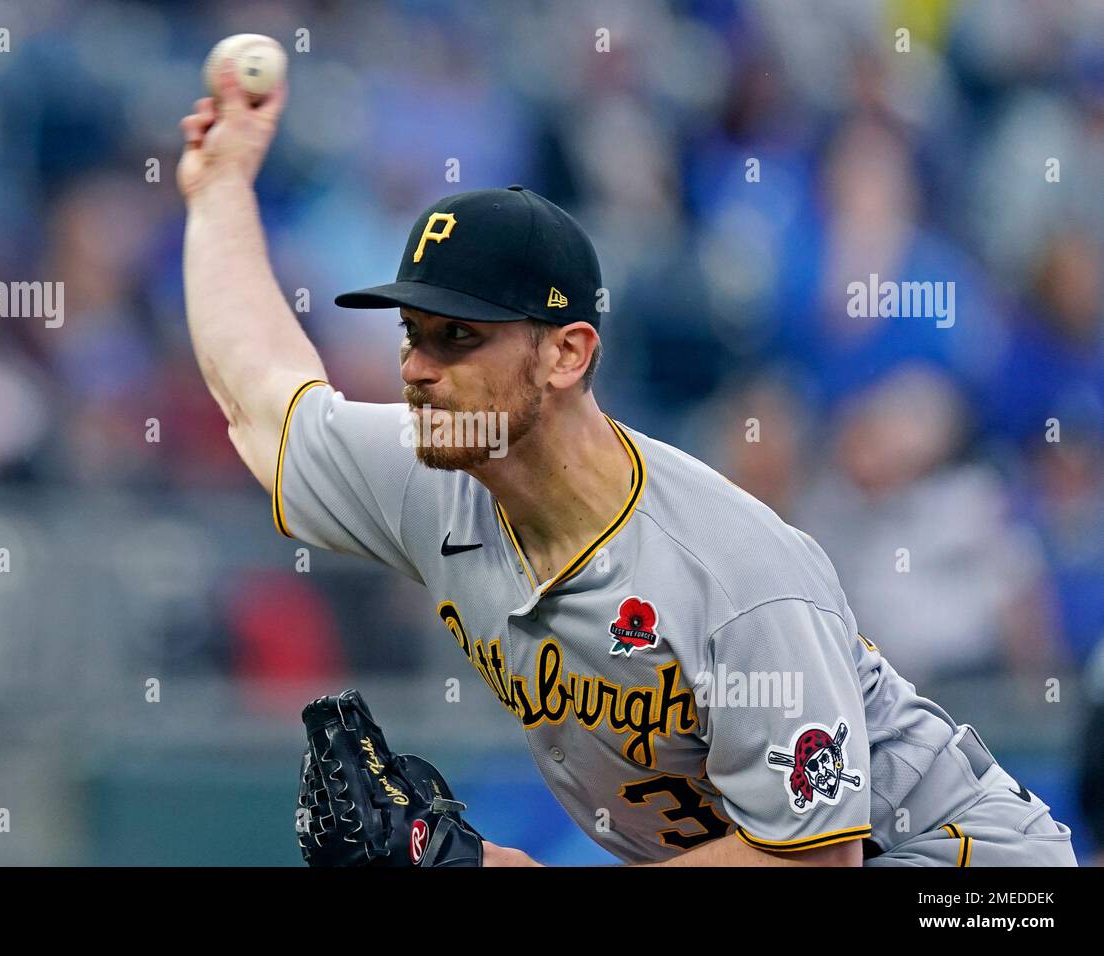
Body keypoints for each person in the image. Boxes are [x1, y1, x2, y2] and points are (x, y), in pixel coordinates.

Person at [175, 66, 1077, 866]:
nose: (416, 367)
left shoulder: (735, 571)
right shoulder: (438, 466)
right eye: (413, 336)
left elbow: (813, 866)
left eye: (460, 337)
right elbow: (266, 407)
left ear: (567, 355)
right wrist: (219, 188)